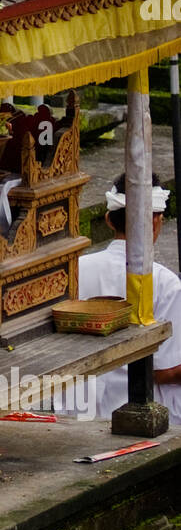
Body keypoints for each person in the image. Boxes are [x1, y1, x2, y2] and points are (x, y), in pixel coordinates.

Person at [71, 172, 181, 424]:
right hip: (132, 410)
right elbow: (165, 371)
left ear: (109, 221)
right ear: (155, 222)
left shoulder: (76, 269)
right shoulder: (164, 283)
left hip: (79, 405)